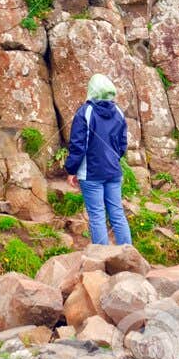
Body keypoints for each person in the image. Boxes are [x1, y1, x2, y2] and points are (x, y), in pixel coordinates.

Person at [63, 73, 131, 245]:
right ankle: (129, 253)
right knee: (117, 214)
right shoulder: (118, 112)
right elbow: (122, 144)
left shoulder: (85, 112)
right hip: (113, 171)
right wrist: (113, 159)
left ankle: (101, 256)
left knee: (97, 215)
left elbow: (78, 145)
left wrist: (71, 170)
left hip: (91, 173)